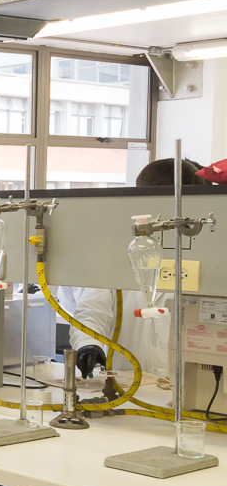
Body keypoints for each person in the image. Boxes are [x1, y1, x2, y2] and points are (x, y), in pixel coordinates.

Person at [71, 158, 208, 379]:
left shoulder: (212, 254)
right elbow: (92, 313)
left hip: (199, 386)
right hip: (130, 383)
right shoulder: (120, 252)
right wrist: (88, 345)